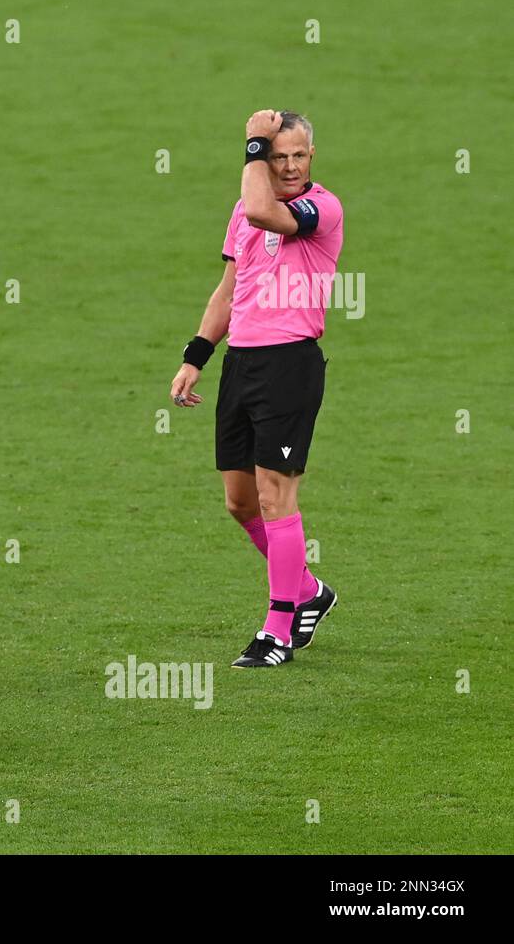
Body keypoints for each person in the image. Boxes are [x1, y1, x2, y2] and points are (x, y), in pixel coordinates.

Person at [169, 109, 342, 668]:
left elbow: (266, 211)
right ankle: (309, 590)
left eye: (298, 155)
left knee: (274, 495)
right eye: (277, 156)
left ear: (311, 157)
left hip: (290, 364)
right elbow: (227, 289)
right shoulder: (242, 213)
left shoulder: (322, 208)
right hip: (241, 365)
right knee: (240, 502)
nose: (289, 166)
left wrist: (252, 145)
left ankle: (278, 631)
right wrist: (197, 355)